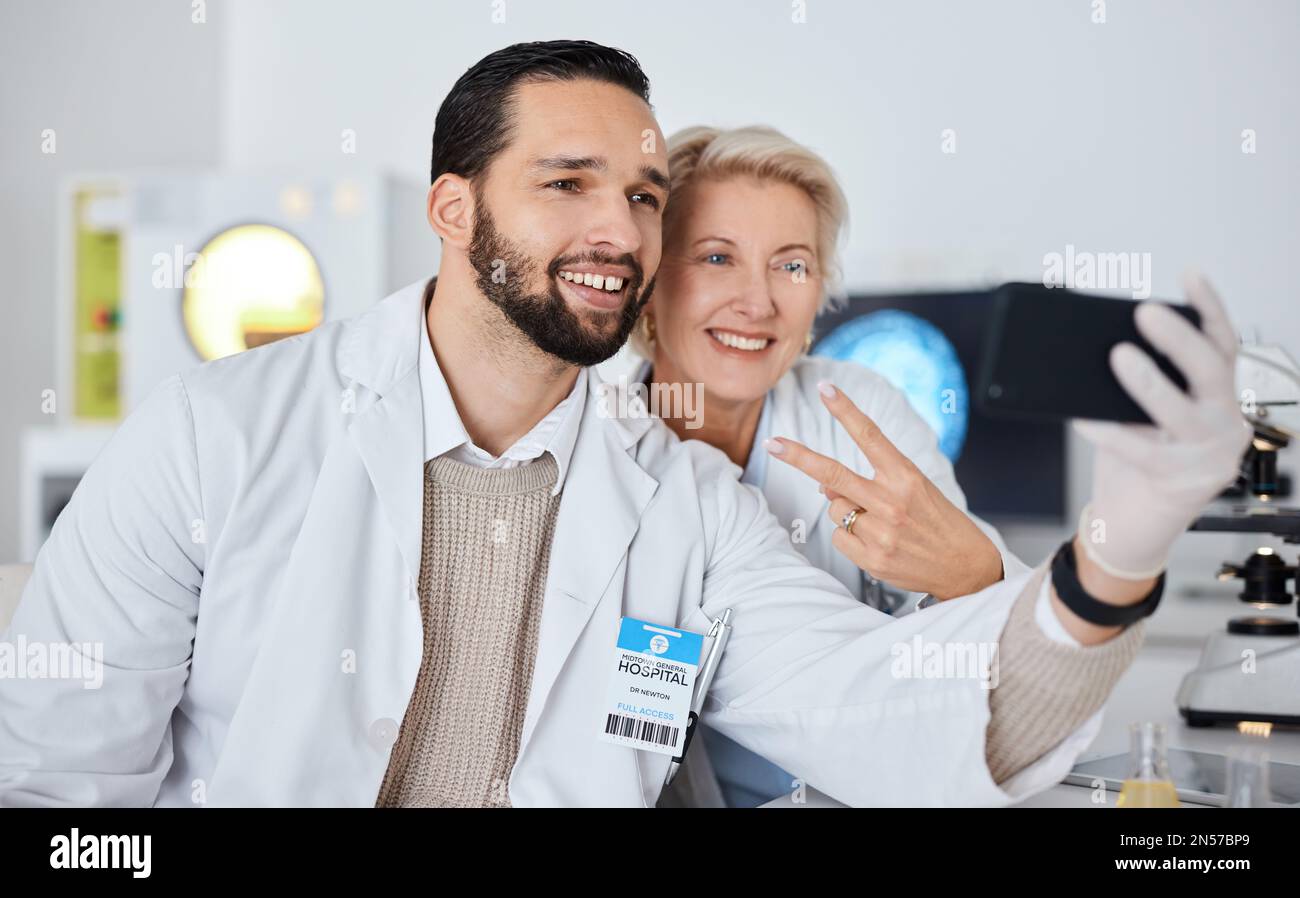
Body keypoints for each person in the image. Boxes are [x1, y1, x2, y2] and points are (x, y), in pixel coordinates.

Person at [0, 41, 1249, 808]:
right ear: (451, 207)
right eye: (567, 184)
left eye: (644, 196)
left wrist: (1112, 559)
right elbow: (64, 790)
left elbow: (895, 718)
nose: (619, 231)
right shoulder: (216, 433)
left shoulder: (688, 505)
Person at [633, 125, 1028, 805]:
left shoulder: (859, 410)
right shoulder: (594, 450)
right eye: (717, 258)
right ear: (650, 276)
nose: (757, 304)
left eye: (791, 264)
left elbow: (993, 669)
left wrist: (974, 576)